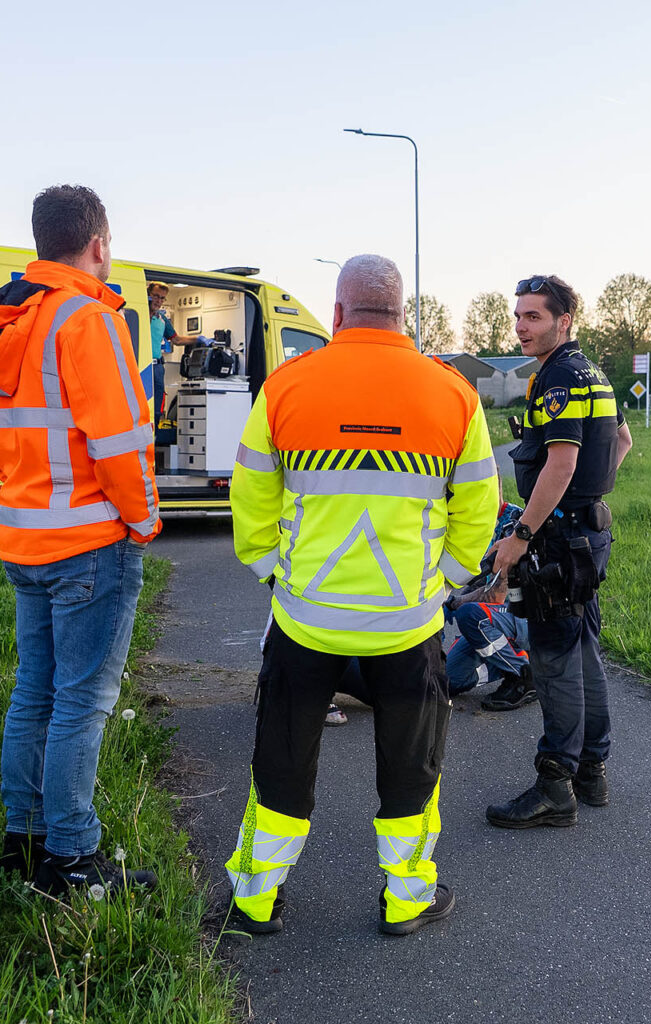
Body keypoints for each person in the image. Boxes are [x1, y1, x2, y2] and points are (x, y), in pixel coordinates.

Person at [225, 254, 497, 936]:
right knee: (412, 765)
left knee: (282, 759)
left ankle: (256, 901)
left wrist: (272, 574)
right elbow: (479, 508)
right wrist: (444, 584)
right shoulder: (451, 393)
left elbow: (250, 499)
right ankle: (406, 900)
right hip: (406, 627)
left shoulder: (289, 385)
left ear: (338, 312)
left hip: (304, 620)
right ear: (403, 314)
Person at [0, 184, 162, 894]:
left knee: (36, 694)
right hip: (89, 542)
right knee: (82, 701)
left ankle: (24, 844)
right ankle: (74, 860)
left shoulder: (4, 318)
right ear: (99, 244)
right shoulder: (88, 319)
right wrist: (142, 521)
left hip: (25, 536)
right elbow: (118, 442)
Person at [486, 274, 633, 830]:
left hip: (557, 540)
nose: (521, 326)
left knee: (552, 661)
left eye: (534, 317)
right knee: (584, 648)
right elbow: (622, 441)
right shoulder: (592, 372)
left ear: (563, 321)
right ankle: (593, 771)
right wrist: (588, 498)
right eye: (519, 315)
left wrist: (521, 533)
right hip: (587, 535)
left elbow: (561, 461)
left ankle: (556, 785)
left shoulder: (557, 378)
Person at [445, 498, 534, 708]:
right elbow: (477, 582)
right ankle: (520, 661)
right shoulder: (476, 525)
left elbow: (496, 597)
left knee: (471, 615)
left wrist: (450, 604)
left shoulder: (512, 525)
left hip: (526, 614)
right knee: (450, 681)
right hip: (505, 616)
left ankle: (525, 674)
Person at [146, 282, 209, 424]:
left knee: (156, 409)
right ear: (148, 295)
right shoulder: (137, 314)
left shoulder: (162, 319)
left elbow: (177, 340)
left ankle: (153, 439)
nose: (159, 301)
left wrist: (199, 338)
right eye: (156, 296)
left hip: (156, 367)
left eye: (162, 298)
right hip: (139, 364)